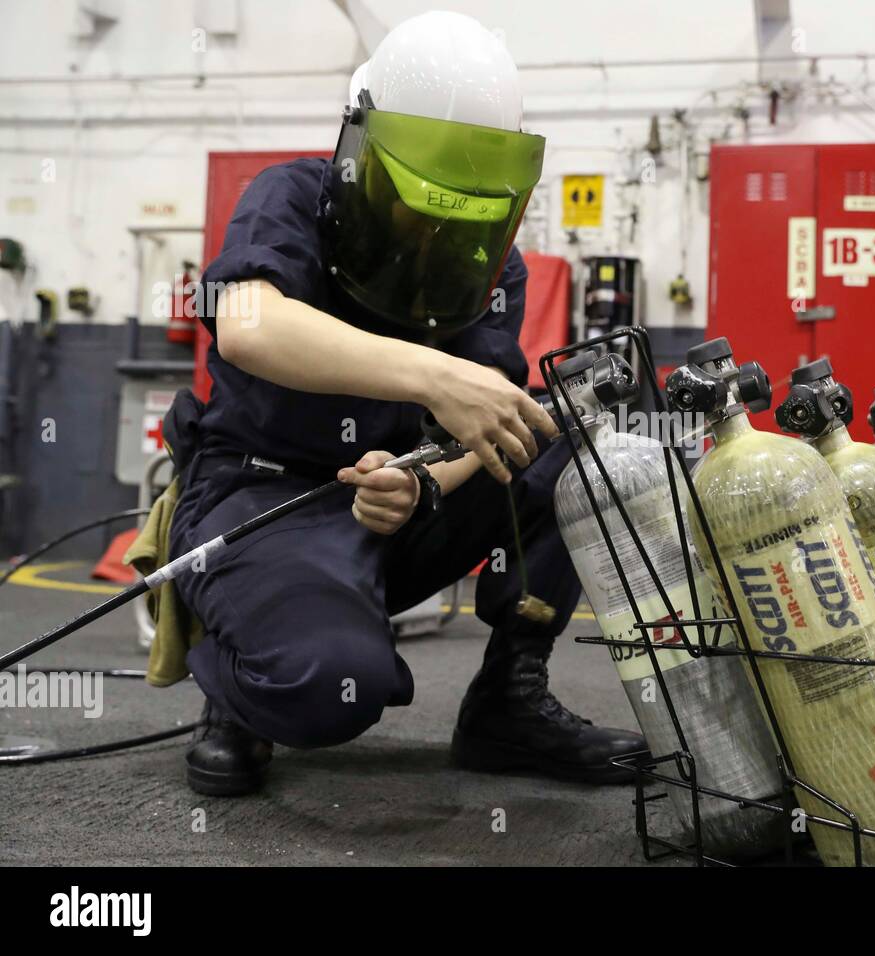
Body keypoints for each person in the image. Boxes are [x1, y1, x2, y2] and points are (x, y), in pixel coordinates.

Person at [172, 10, 644, 796]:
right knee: (332, 689)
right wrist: (431, 375)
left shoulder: (492, 267)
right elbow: (248, 326)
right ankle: (238, 678)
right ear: (364, 149)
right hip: (268, 496)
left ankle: (507, 701)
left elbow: (483, 430)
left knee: (573, 440)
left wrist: (423, 480)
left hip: (396, 508)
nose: (434, 225)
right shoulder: (287, 195)